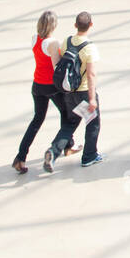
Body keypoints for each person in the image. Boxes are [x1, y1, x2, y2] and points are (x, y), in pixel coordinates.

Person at [43, 11, 102, 170]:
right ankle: (89, 156)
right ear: (91, 25)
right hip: (83, 93)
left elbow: (60, 61)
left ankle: (53, 151)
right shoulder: (89, 48)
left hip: (69, 93)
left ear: (75, 25)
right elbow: (90, 74)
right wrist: (92, 99)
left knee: (70, 124)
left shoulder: (67, 41)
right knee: (93, 123)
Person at [12, 10, 65, 174]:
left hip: (37, 85)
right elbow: (57, 67)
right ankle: (63, 147)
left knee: (37, 120)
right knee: (68, 114)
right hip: (51, 86)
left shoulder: (35, 39)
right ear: (53, 25)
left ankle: (20, 157)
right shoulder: (52, 42)